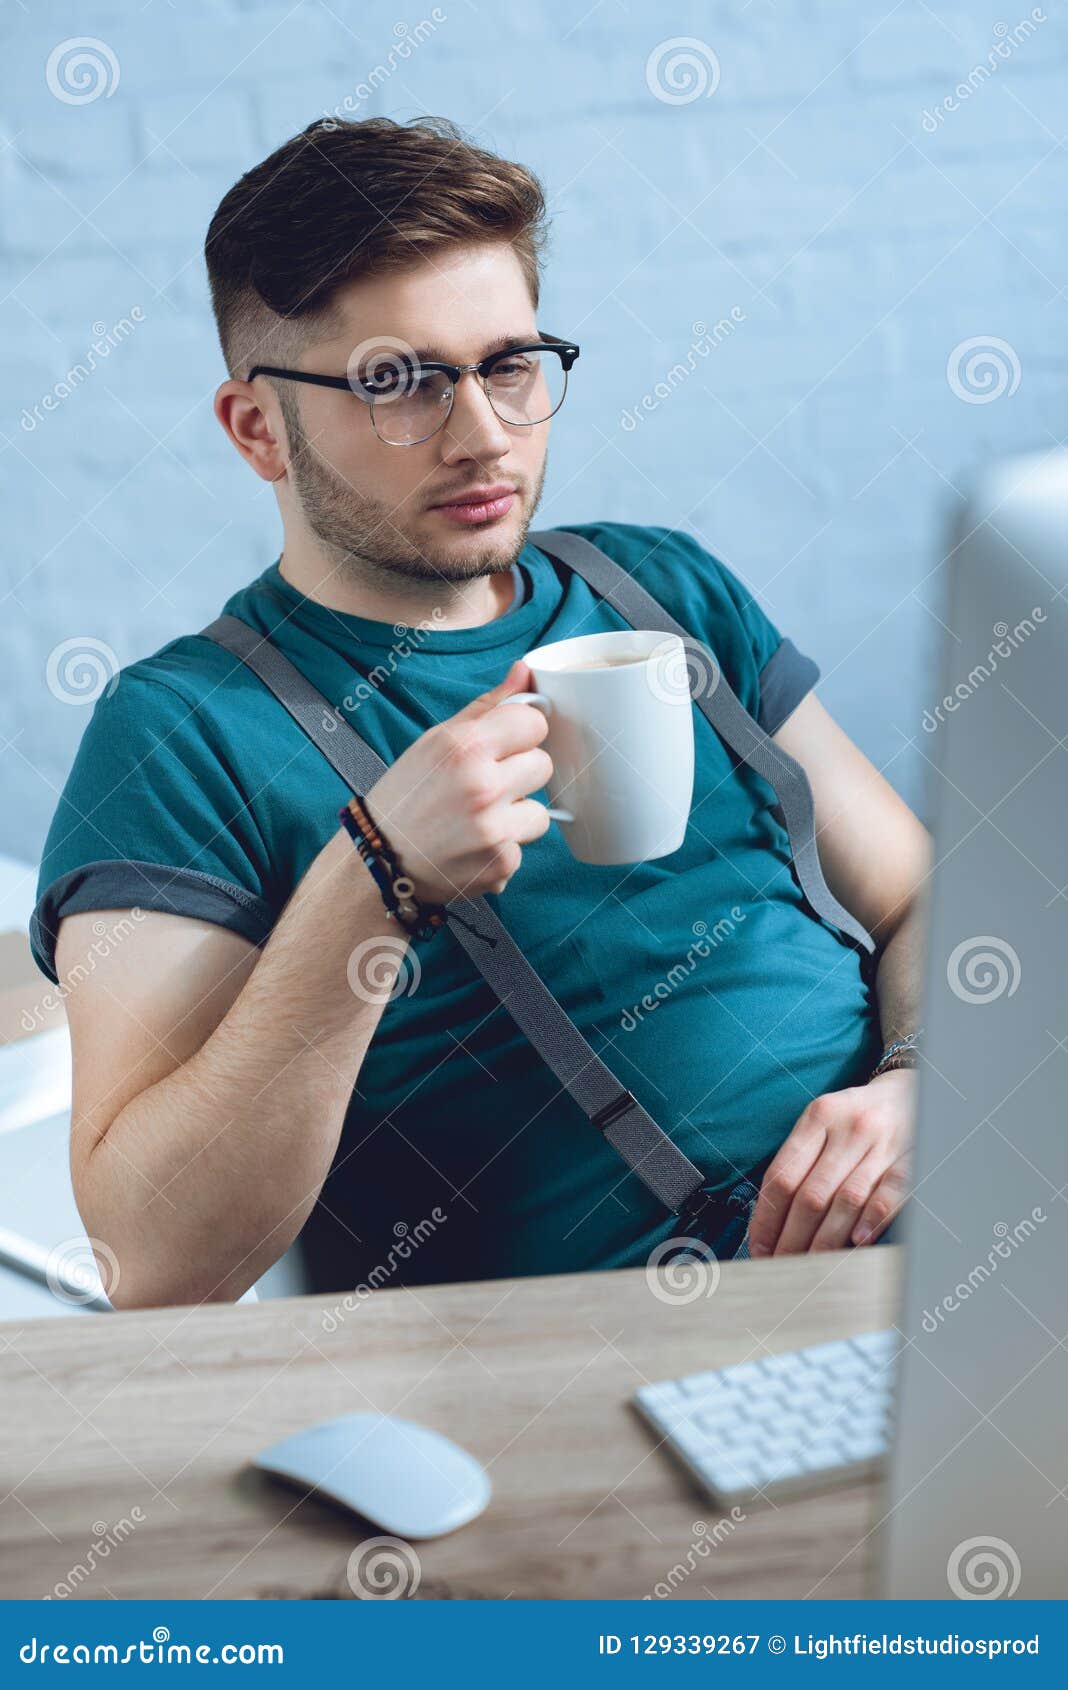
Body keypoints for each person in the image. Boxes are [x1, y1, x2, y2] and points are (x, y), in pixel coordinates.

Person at [30, 116, 930, 1309]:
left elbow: (926, 893)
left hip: (944, 1232)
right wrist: (375, 874)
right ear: (259, 430)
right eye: (398, 382)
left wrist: (923, 1081)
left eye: (510, 364)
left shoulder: (661, 587)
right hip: (616, 1360)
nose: (484, 434)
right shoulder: (184, 733)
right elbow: (154, 1262)